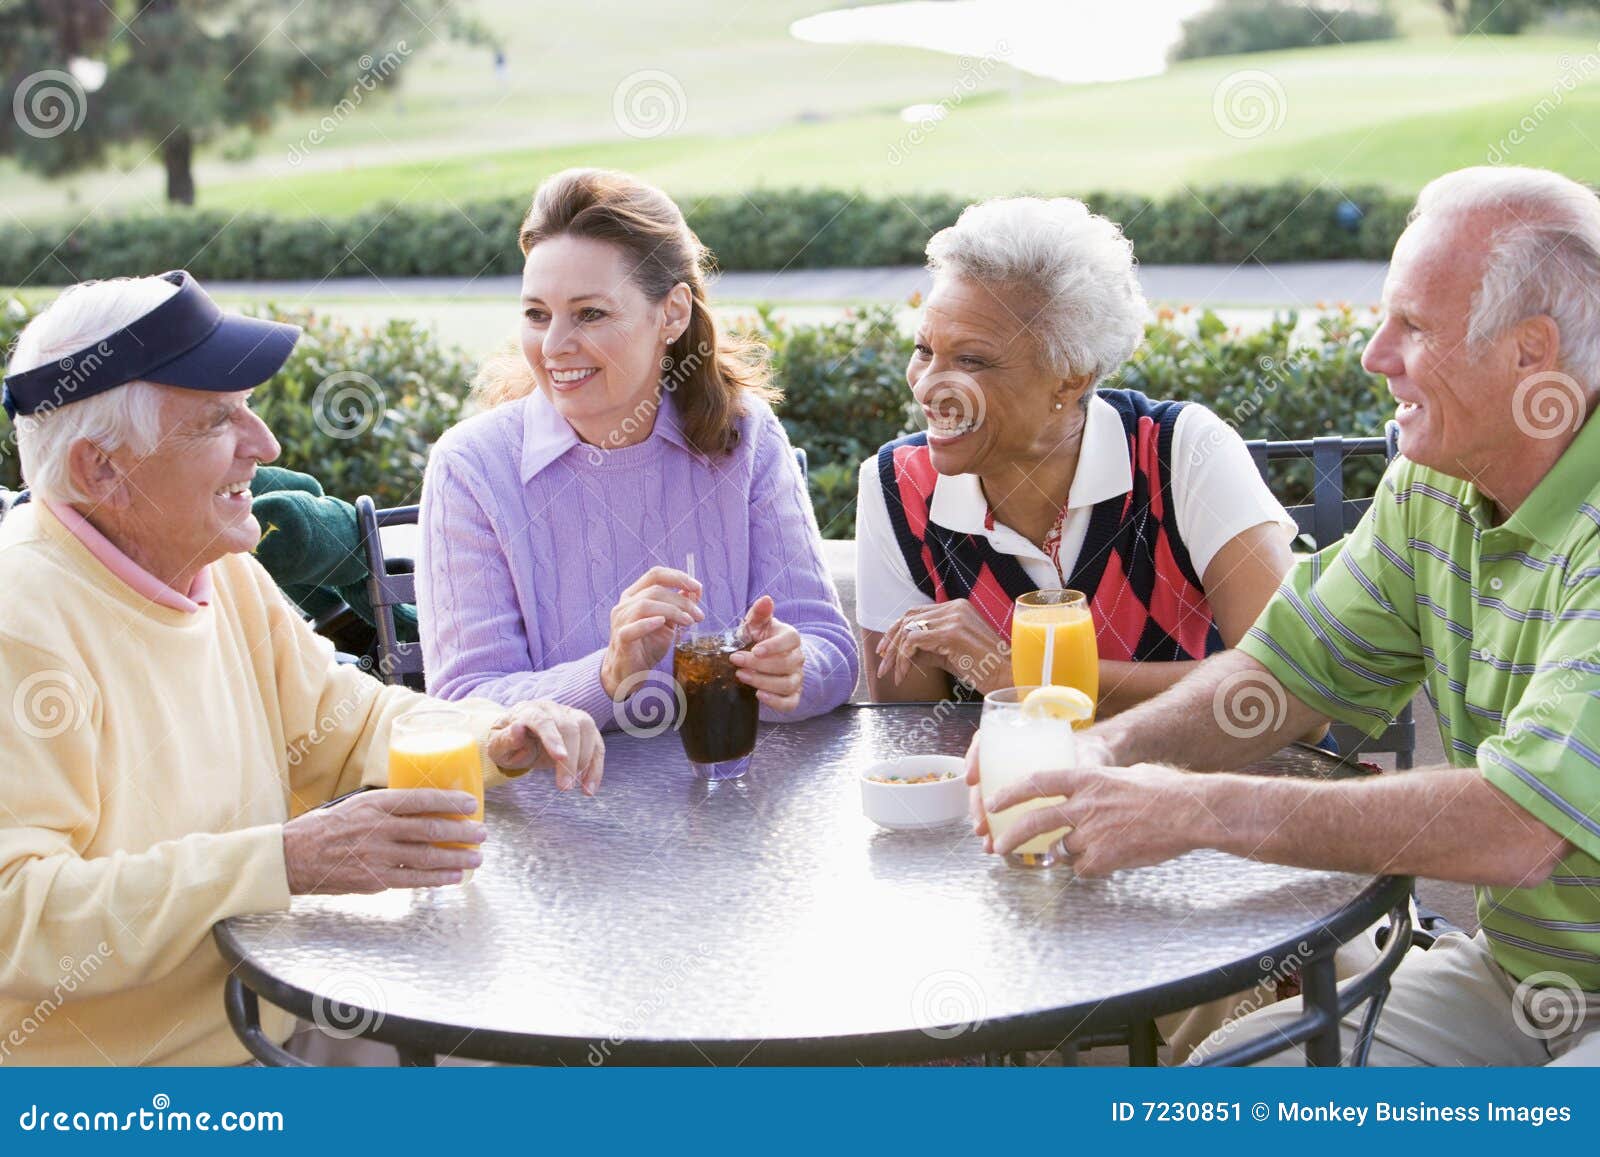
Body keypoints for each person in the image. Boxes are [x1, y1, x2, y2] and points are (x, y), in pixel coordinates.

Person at [976, 166, 1600, 1067]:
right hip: (1520, 981)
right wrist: (1101, 752)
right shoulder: (1438, 480)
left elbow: (1518, 824)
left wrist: (1191, 808)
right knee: (1223, 1091)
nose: (1373, 354)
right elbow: (1280, 675)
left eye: (1412, 327)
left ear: (1530, 353)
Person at [0, 272, 604, 1066]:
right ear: (101, 470)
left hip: (274, 1017)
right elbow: (20, 917)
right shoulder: (22, 621)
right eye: (217, 419)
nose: (266, 445)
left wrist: (499, 734)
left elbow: (347, 720)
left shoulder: (219, 570)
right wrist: (285, 859)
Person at [418, 168, 857, 728]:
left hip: (733, 799)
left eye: (590, 314)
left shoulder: (746, 437)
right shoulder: (471, 466)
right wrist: (609, 674)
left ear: (672, 313)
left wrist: (793, 668)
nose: (553, 346)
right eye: (536, 314)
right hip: (559, 808)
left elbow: (831, 653)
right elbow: (466, 703)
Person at [855, 195, 1298, 710]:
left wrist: (1020, 675)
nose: (927, 387)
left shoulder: (1183, 452)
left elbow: (1288, 690)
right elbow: (910, 742)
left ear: (1071, 378)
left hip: (1200, 785)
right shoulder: (896, 485)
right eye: (924, 350)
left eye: (972, 360)